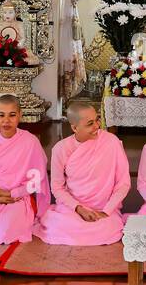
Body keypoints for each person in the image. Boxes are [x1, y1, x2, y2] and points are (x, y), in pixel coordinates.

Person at [35, 100, 130, 246]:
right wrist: (78, 208)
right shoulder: (61, 149)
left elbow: (123, 184)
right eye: (90, 124)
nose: (97, 126)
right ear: (74, 127)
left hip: (104, 208)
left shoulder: (112, 142)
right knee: (59, 226)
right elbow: (57, 188)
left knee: (105, 227)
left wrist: (106, 211)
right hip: (73, 209)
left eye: (97, 120)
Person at [0, 94, 50, 244]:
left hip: (19, 197)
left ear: (20, 115)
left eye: (12, 115)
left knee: (8, 230)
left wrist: (12, 193)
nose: (6, 120)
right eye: (1, 115)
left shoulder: (31, 141)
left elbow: (38, 179)